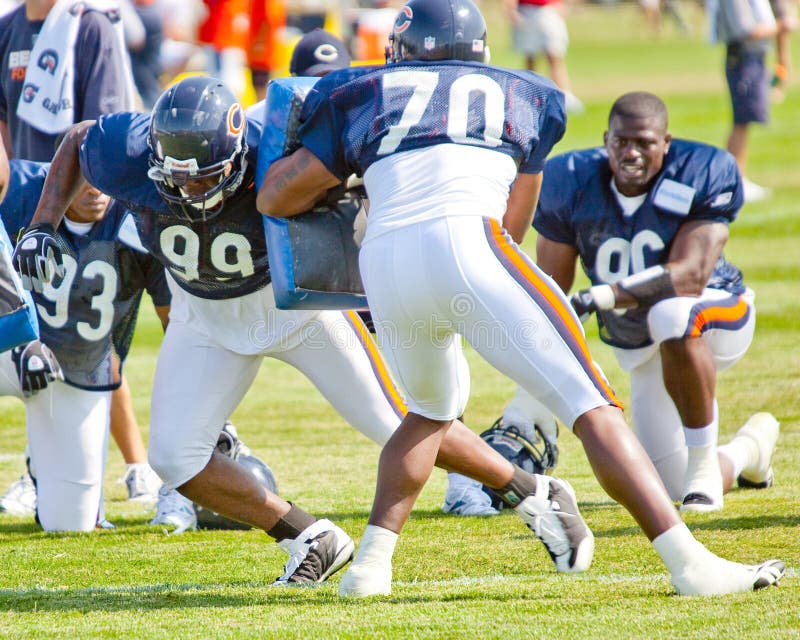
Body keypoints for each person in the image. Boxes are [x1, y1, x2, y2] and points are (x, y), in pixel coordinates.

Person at [258, 0, 785, 597]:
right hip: (470, 241)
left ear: (401, 50)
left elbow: (275, 198)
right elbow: (514, 222)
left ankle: (369, 569)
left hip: (383, 262)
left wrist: (352, 180)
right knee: (592, 405)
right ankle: (691, 566)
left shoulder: (358, 92)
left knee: (429, 412)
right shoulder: (526, 94)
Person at [13, 76, 587, 585]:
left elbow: (356, 162)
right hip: (204, 314)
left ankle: (534, 493)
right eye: (175, 178)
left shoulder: (275, 153)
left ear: (236, 153)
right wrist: (43, 224)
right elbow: (79, 140)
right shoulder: (131, 149)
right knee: (174, 456)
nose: (188, 192)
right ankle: (308, 537)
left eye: (202, 178)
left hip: (296, 309)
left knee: (400, 422)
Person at [499, 92, 780, 514]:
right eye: (622, 142)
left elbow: (691, 275)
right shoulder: (570, 180)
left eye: (644, 143)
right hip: (642, 338)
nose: (631, 153)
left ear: (665, 142)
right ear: (606, 141)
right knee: (671, 486)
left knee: (672, 313)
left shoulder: (702, 169)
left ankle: (704, 464)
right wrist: (530, 392)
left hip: (715, 312)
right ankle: (750, 450)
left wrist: (604, 295)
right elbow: (553, 292)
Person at [0, 0, 162, 512]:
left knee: (90, 329)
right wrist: (17, 190)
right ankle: (45, 468)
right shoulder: (6, 29)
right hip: (27, 200)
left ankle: (139, 466)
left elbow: (101, 127)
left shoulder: (90, 26)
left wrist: (72, 188)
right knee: (40, 336)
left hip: (86, 201)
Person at [0, 157, 170, 531]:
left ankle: (43, 467)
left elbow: (174, 324)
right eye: (82, 178)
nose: (94, 189)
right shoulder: (18, 191)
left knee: (70, 524)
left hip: (73, 372)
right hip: (6, 349)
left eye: (100, 176)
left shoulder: (140, 217)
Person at [712, 0, 778, 202]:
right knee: (741, 121)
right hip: (742, 59)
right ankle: (735, 180)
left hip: (751, 58)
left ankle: (739, 177)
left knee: (744, 122)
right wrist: (780, 27)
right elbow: (745, 30)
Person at [503, 0, 584, 113]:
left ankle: (564, 95)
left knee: (554, 54)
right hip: (526, 10)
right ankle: (529, 95)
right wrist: (510, 9)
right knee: (530, 57)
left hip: (549, 9)